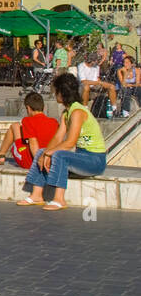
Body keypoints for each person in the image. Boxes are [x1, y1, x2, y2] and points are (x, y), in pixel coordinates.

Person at [17, 73, 108, 210]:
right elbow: (58, 138)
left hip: (94, 160)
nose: (54, 94)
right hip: (82, 157)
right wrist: (45, 153)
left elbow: (70, 143)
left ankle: (59, 199)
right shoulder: (67, 113)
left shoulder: (77, 112)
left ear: (62, 93)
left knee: (59, 155)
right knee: (42, 151)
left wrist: (49, 154)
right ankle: (36, 195)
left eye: (56, 91)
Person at [0, 91, 60, 165]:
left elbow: (33, 143)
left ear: (28, 108)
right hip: (49, 159)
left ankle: (1, 155)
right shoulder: (54, 122)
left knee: (15, 126)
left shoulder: (28, 121)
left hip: (29, 161)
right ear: (43, 107)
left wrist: (38, 162)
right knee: (19, 128)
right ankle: (1, 154)